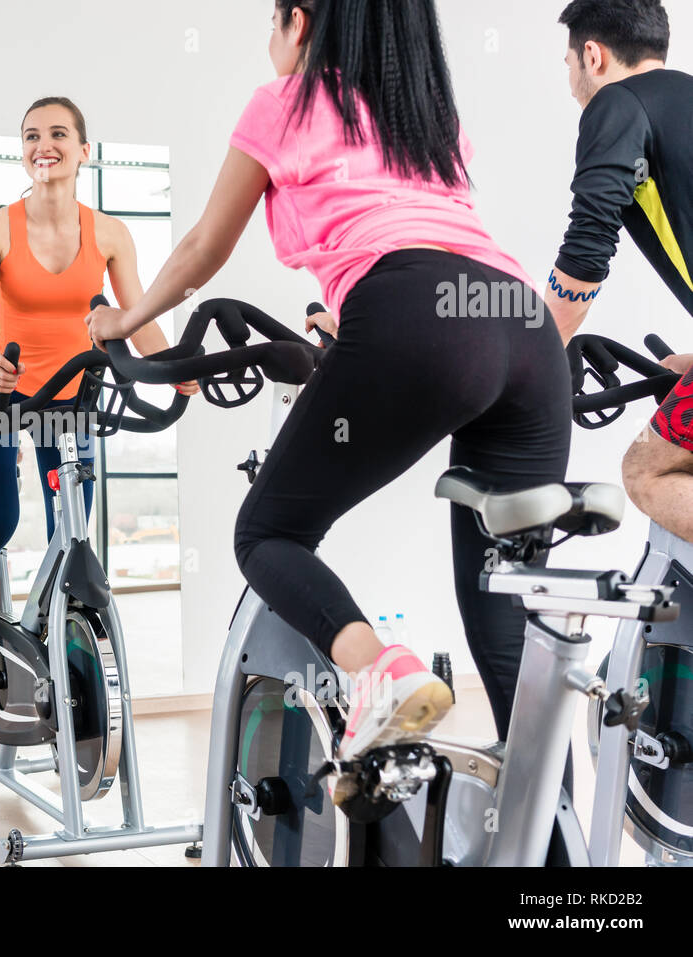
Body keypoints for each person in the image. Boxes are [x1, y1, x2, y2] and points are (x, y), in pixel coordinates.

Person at [88, 0, 571, 767]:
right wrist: (372, 330)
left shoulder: (284, 102)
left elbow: (202, 247)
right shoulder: (424, 116)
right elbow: (431, 238)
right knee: (502, 610)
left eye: (270, 21)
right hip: (524, 328)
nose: (268, 40)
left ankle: (380, 670)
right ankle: (559, 850)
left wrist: (126, 317)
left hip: (416, 317)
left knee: (266, 533)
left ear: (300, 22)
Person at [0, 95, 198, 655]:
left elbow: (136, 320)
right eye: (32, 136)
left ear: (84, 151)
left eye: (58, 135)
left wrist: (174, 368)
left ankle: (59, 624)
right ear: (23, 152)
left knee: (73, 522)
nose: (44, 146)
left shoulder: (109, 233)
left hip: (71, 397)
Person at [541, 1, 693, 545]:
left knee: (648, 472)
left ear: (592, 54)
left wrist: (530, 358)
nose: (571, 82)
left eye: (568, 65)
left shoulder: (616, 106)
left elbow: (586, 249)